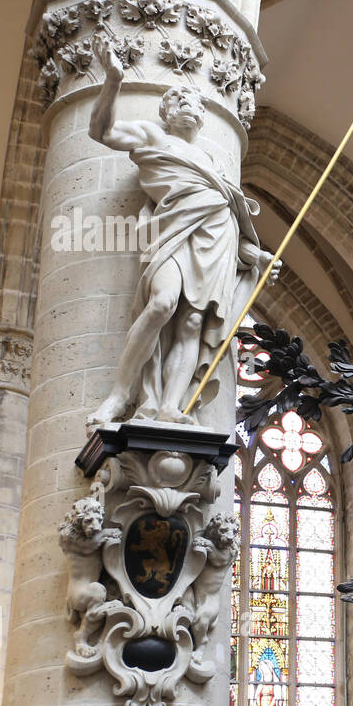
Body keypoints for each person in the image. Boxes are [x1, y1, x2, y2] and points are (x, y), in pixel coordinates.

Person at [86, 33, 277, 427]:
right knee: (162, 304)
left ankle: (171, 405)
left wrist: (254, 255)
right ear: (167, 112)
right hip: (172, 234)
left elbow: (228, 212)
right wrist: (114, 81)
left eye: (194, 102)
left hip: (216, 241)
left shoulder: (212, 160)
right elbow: (101, 132)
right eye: (180, 100)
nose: (188, 105)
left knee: (192, 323)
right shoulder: (154, 137)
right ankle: (121, 394)